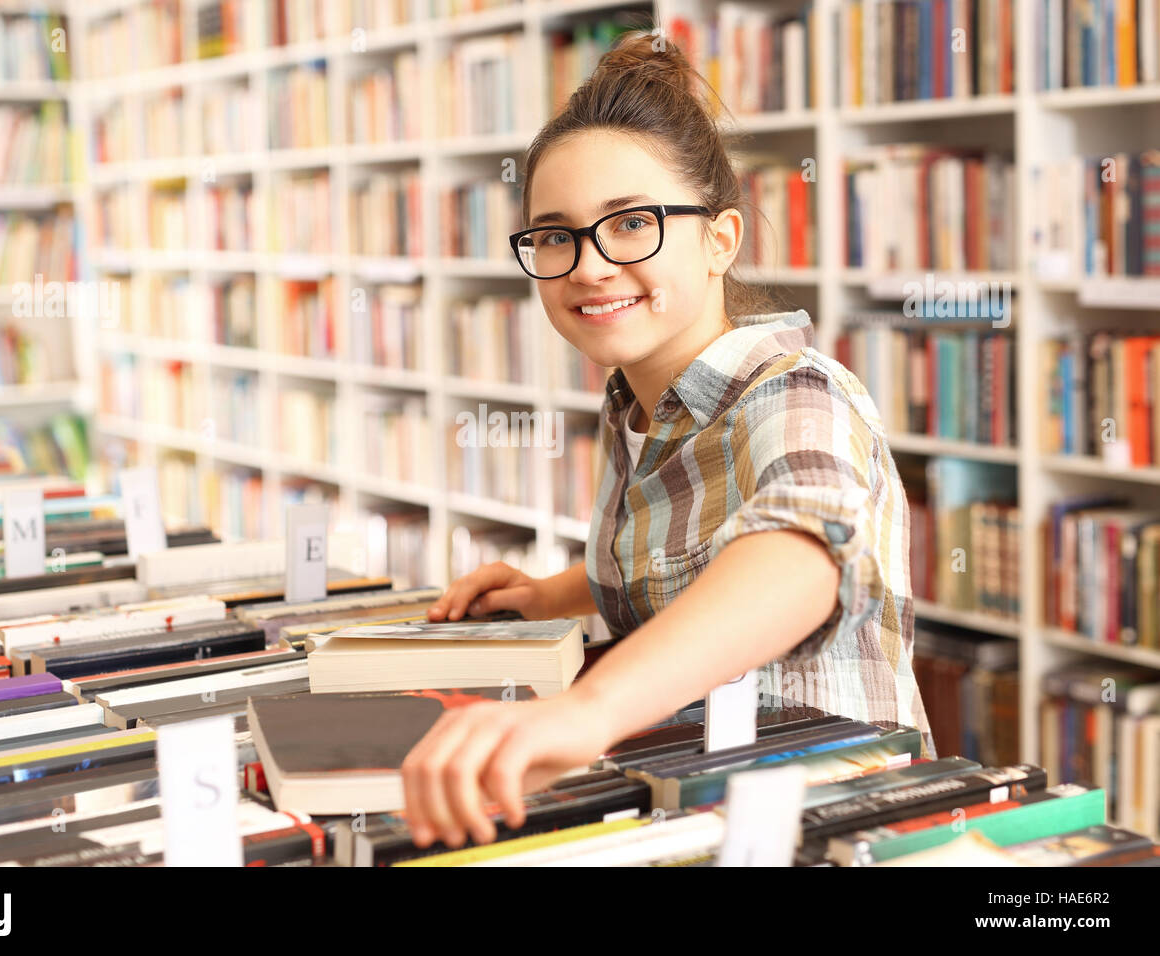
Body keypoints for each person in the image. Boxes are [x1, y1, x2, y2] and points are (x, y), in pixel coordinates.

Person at [400, 31, 934, 851]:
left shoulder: (798, 392)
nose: (589, 265)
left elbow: (802, 553)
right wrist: (555, 592)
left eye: (630, 224)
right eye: (556, 235)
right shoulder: (634, 405)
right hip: (693, 806)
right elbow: (687, 554)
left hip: (830, 830)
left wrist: (587, 712)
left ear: (721, 239)